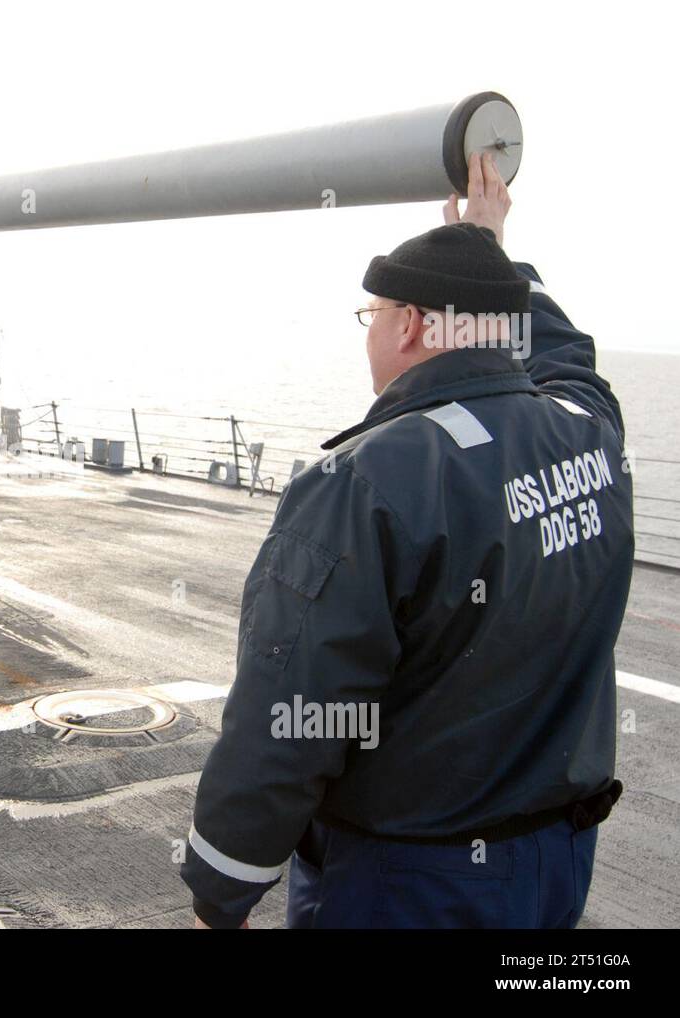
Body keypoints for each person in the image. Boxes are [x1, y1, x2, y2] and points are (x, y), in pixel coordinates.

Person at [181, 151, 633, 929]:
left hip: (408, 884)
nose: (371, 336)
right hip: (553, 867)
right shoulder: (589, 435)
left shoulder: (366, 482)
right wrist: (495, 255)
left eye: (374, 316)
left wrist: (220, 888)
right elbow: (568, 363)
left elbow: (291, 717)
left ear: (414, 326)